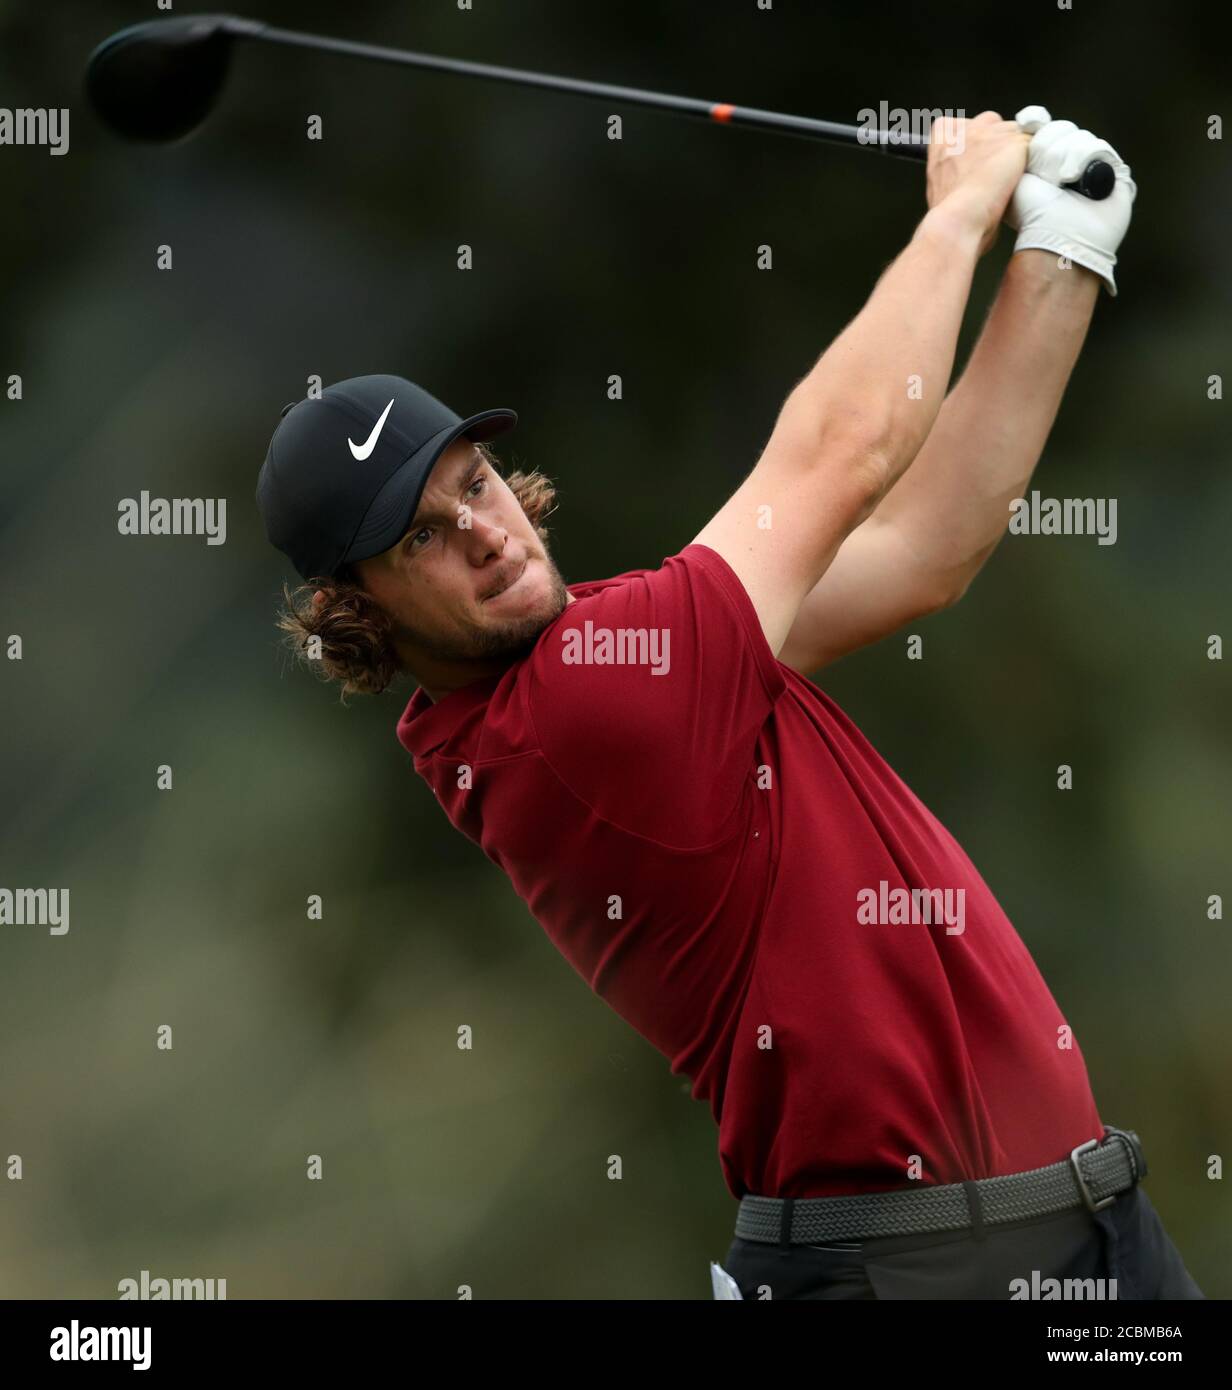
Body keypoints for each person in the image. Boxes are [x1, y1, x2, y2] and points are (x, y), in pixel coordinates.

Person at [255, 107, 1202, 1300]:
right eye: (422, 537)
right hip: (911, 1272)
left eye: (475, 482)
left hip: (1083, 1230)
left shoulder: (609, 652)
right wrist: (959, 207)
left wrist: (1061, 252)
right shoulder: (583, 710)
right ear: (359, 614)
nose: (487, 534)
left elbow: (921, 548)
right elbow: (844, 449)